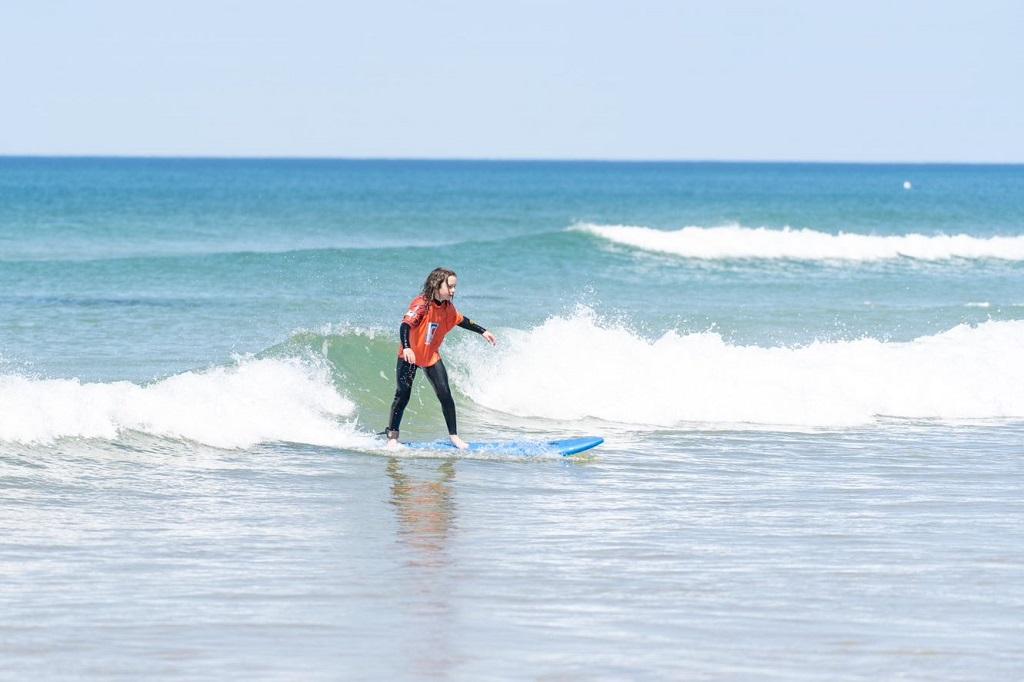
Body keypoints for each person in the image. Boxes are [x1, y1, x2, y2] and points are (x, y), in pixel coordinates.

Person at [385, 268, 496, 450]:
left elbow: (461, 320)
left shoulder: (447, 307)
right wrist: (406, 347)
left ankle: (454, 437)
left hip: (430, 357)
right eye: (450, 286)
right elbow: (405, 325)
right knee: (402, 395)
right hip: (409, 356)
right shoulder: (421, 304)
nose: (453, 291)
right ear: (437, 285)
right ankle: (392, 437)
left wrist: (483, 331)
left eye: (455, 287)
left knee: (445, 395)